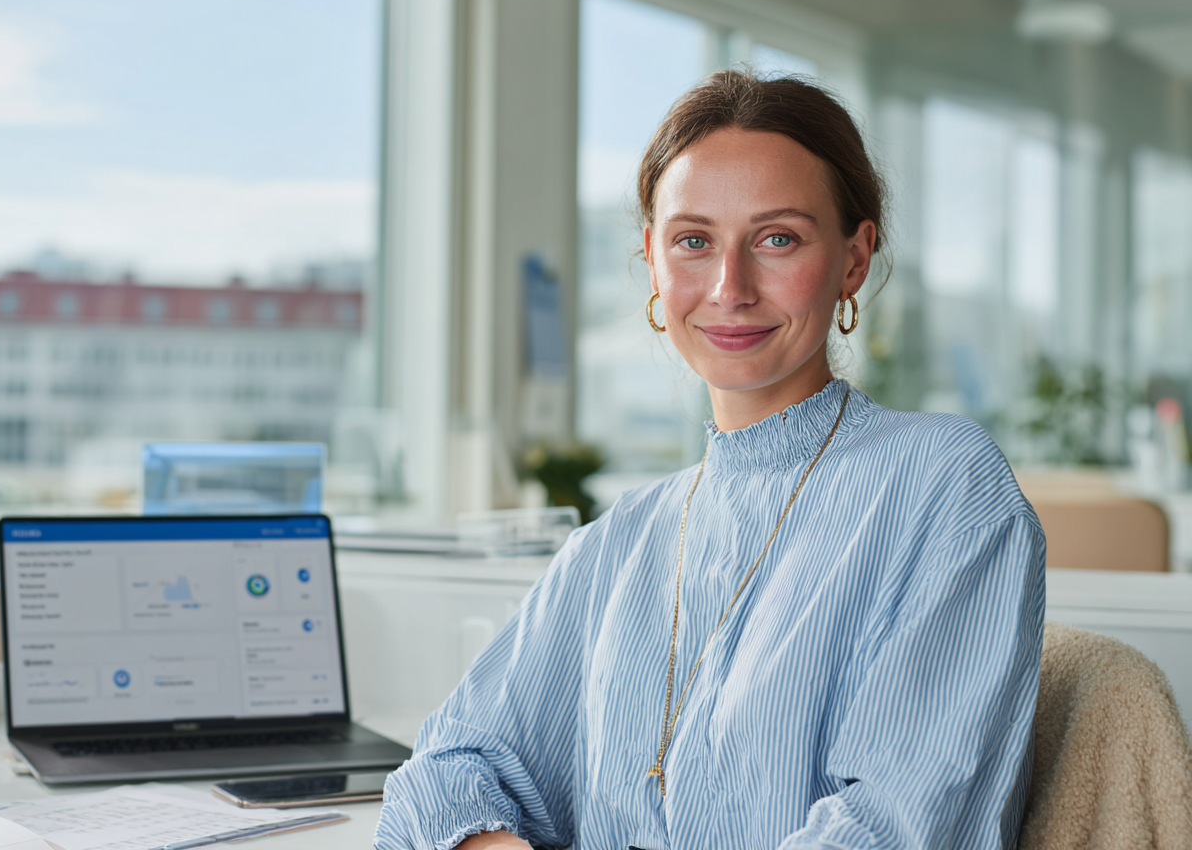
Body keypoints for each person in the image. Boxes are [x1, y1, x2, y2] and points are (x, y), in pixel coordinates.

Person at [374, 70, 1045, 850]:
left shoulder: (945, 483)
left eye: (778, 239)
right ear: (654, 266)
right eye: (693, 241)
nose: (730, 287)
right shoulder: (621, 538)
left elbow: (896, 829)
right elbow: (442, 771)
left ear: (855, 259)